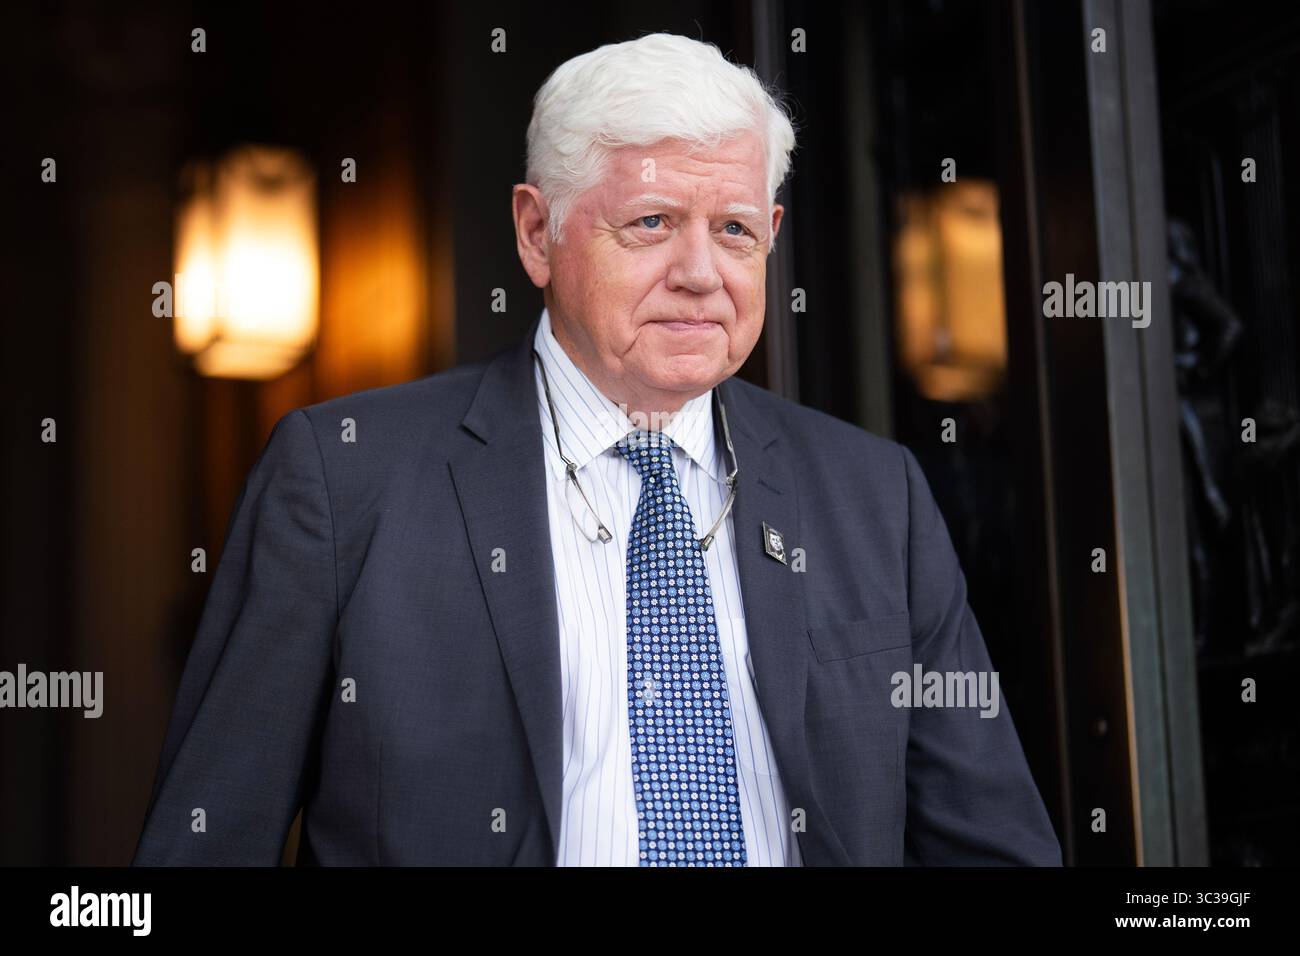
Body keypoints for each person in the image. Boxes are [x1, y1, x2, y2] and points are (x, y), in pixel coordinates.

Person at [133, 32, 1060, 867]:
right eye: (652, 223)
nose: (701, 274)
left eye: (734, 229)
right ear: (538, 233)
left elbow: (994, 848)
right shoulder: (343, 477)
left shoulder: (876, 496)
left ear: (770, 238)